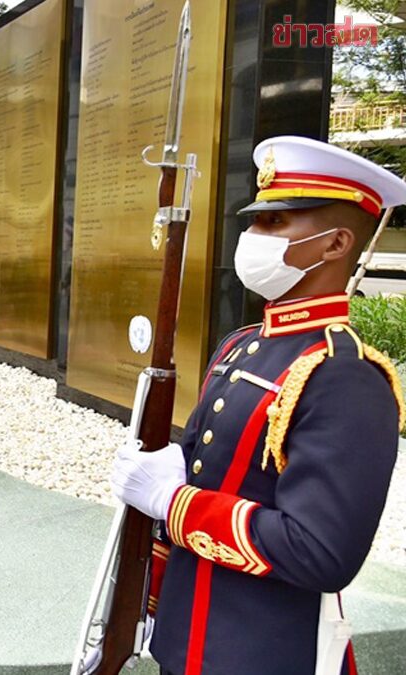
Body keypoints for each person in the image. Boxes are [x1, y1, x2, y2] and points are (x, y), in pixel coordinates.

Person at [111, 136, 406, 675]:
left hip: (260, 651)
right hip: (186, 637)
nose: (252, 236)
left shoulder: (344, 376)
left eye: (275, 224)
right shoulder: (242, 344)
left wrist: (174, 504)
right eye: (254, 221)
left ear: (335, 243)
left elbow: (320, 551)